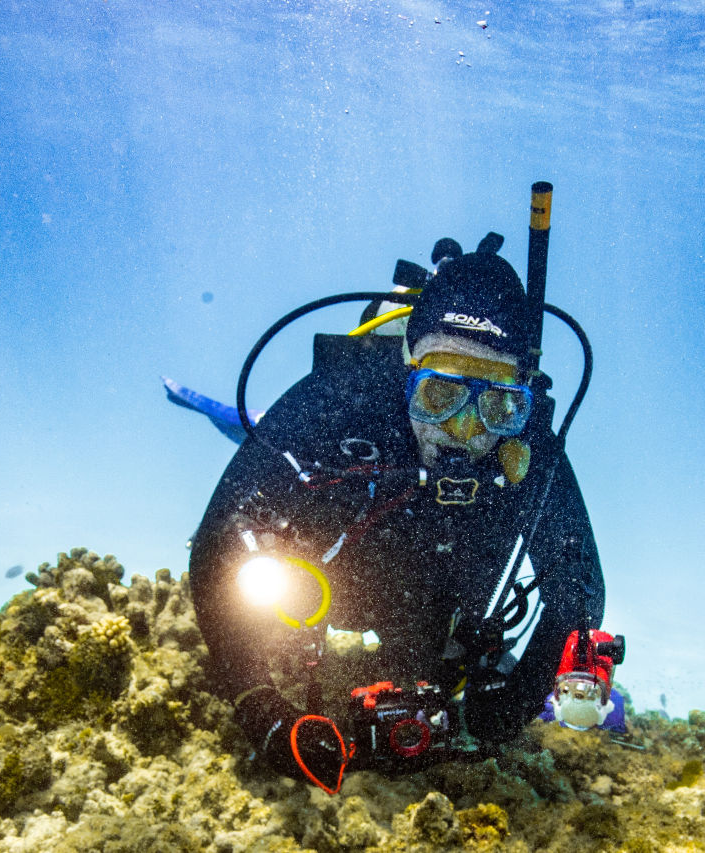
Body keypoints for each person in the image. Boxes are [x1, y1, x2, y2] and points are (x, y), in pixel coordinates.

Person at [188, 237, 614, 793]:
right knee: (257, 438)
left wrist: (510, 708)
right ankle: (230, 417)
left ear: (518, 396)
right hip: (326, 589)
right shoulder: (344, 395)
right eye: (439, 397)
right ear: (407, 371)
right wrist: (258, 705)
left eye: (494, 405)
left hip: (440, 616)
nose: (465, 430)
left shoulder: (526, 442)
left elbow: (578, 588)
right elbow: (218, 544)